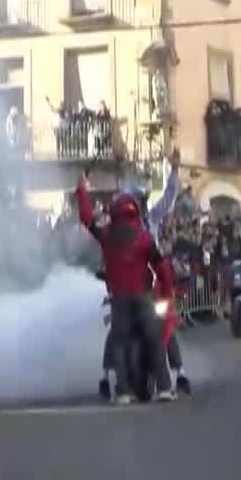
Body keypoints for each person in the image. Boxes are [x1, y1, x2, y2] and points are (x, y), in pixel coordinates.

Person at [75, 172, 174, 404]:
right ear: (135, 213)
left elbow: (86, 218)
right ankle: (165, 387)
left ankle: (123, 391)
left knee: (119, 340)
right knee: (155, 339)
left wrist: (81, 191)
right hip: (142, 296)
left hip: (119, 298)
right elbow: (162, 267)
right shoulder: (144, 238)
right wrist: (169, 293)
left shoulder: (107, 234)